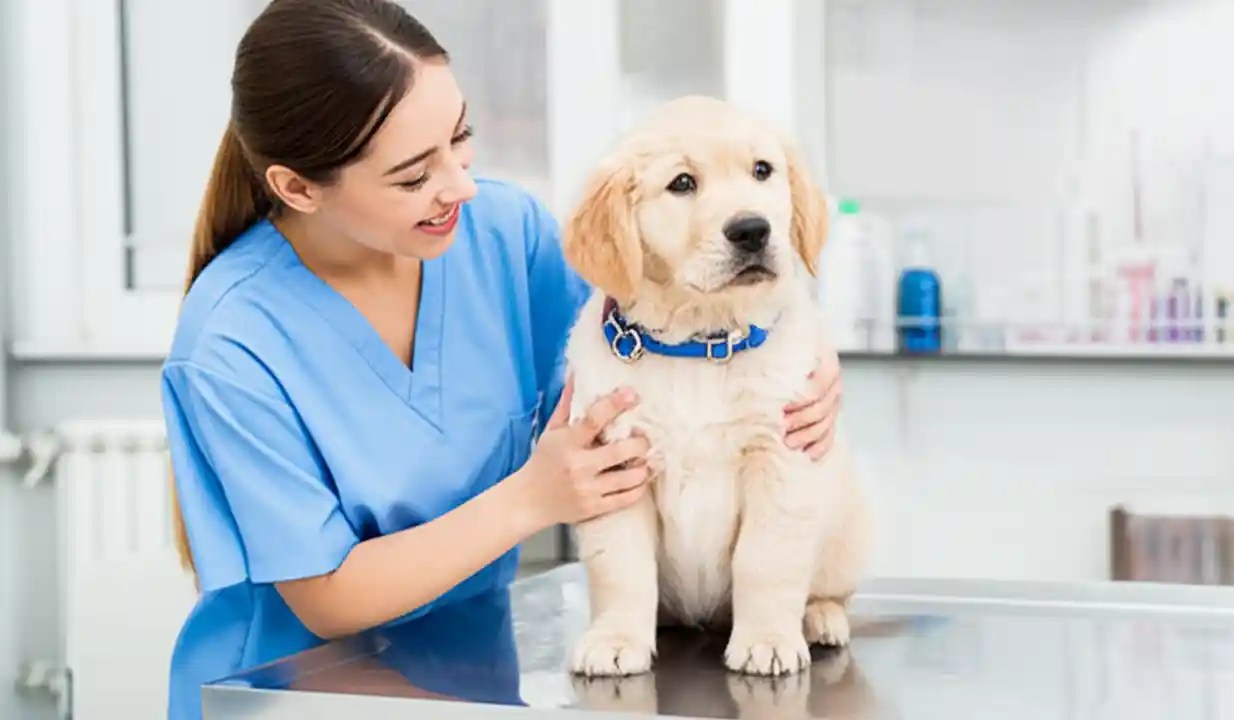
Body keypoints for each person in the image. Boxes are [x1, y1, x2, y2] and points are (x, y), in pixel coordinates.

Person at [160, 0, 846, 717]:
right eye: (412, 175)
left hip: (464, 664)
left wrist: (794, 358)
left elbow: (651, 339)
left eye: (461, 139)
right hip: (289, 688)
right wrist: (534, 497)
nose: (458, 184)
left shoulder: (500, 233)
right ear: (297, 187)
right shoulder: (230, 344)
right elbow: (331, 598)